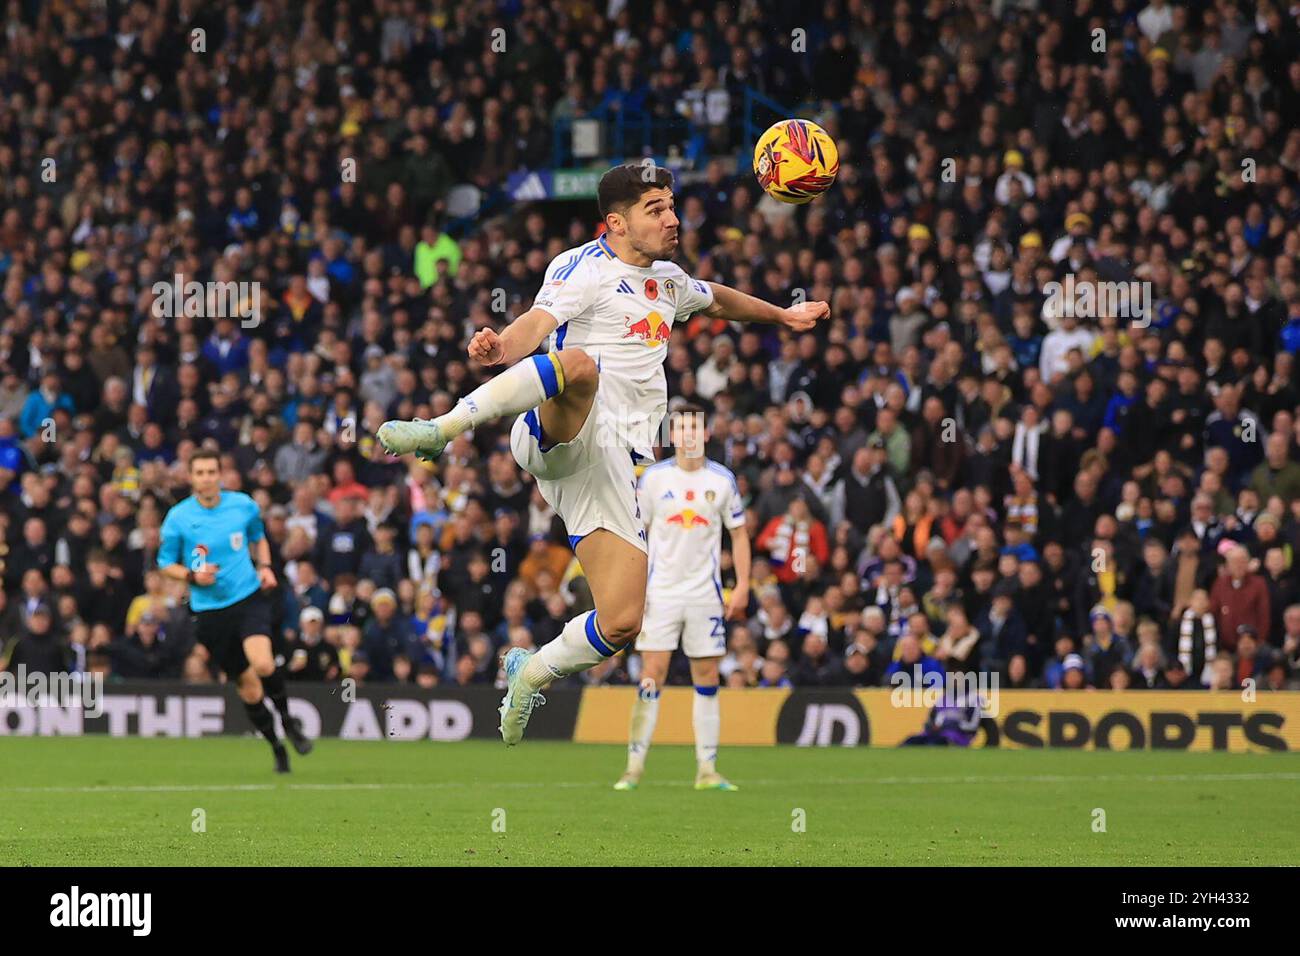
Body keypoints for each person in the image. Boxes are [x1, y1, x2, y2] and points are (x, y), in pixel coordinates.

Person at [377, 163, 827, 744]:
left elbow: (717, 300)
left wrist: (784, 314)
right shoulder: (581, 267)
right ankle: (441, 428)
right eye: (655, 209)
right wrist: (499, 347)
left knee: (621, 621)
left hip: (616, 461)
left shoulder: (667, 280)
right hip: (560, 427)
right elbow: (535, 325)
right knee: (583, 366)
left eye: (671, 205)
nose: (672, 217)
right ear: (616, 223)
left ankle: (529, 672)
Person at [614, 405, 750, 792]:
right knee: (651, 675)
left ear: (706, 434)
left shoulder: (722, 480)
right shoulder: (654, 479)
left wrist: (741, 585)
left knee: (706, 677)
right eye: (681, 428)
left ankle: (707, 770)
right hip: (661, 592)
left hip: (705, 594)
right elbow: (636, 535)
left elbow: (738, 534)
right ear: (672, 435)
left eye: (695, 427)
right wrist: (632, 590)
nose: (689, 434)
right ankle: (633, 767)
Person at [158, 449, 312, 772]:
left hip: (248, 598)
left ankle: (289, 721)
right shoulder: (179, 517)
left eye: (211, 472)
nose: (206, 478)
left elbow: (259, 537)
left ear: (220, 474)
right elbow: (165, 563)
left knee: (264, 663)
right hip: (210, 612)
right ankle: (277, 748)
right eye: (199, 473)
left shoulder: (242, 505)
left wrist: (266, 566)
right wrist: (191, 576)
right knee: (249, 689)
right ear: (191, 477)